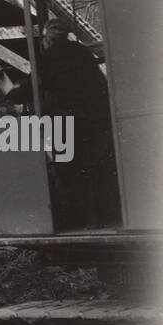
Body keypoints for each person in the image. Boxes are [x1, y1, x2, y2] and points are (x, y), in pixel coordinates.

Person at [38, 16, 120, 229]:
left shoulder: (49, 57)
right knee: (97, 170)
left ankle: (80, 220)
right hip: (97, 119)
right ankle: (102, 218)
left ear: (48, 39)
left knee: (70, 172)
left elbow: (35, 84)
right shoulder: (81, 51)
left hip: (70, 122)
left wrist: (13, 95)